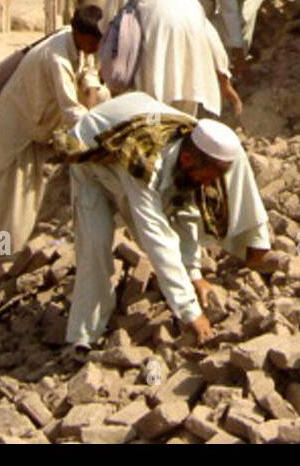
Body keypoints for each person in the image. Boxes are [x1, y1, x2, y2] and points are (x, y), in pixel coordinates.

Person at [57, 92, 275, 351]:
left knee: (178, 207)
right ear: (187, 160)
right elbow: (157, 238)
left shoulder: (194, 151)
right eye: (209, 176)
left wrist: (193, 273)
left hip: (127, 133)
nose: (209, 183)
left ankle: (180, 282)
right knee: (96, 244)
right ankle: (83, 338)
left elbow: (185, 212)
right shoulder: (145, 162)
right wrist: (190, 312)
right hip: (91, 154)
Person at [0, 6, 104, 255]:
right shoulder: (58, 59)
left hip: (38, 128)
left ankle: (14, 248)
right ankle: (2, 253)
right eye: (93, 42)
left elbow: (90, 78)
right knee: (10, 206)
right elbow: (71, 110)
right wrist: (100, 136)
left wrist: (95, 100)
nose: (96, 48)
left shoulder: (77, 42)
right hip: (15, 134)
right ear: (79, 34)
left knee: (29, 198)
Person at [102, 0, 242, 118]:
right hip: (192, 41)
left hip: (159, 35)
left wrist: (106, 31)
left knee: (152, 107)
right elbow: (207, 31)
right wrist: (224, 78)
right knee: (184, 117)